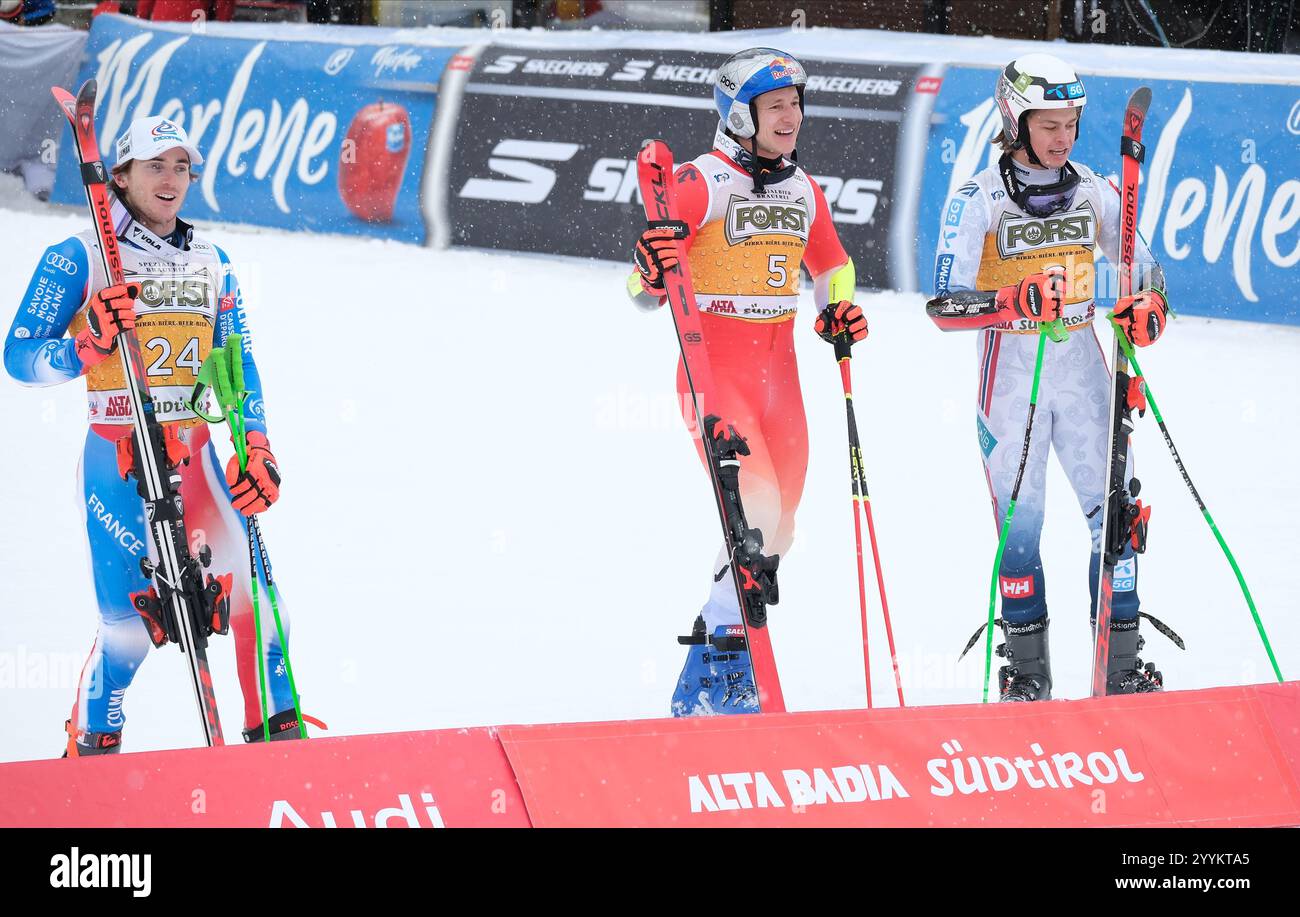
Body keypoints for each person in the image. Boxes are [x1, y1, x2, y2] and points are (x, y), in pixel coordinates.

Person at [3, 115, 298, 754]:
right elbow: (19, 357)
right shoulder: (78, 256)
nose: (170, 180)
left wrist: (258, 446)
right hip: (119, 461)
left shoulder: (213, 262)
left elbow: (237, 363)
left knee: (259, 610)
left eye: (181, 167)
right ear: (122, 177)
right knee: (131, 631)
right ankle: (92, 755)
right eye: (155, 166)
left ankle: (279, 755)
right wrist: (88, 344)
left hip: (195, 458)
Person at [628, 48, 868, 716]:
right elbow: (640, 282)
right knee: (752, 515)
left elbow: (833, 265)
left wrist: (838, 308)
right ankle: (732, 669)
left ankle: (708, 665)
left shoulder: (802, 189)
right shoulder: (703, 179)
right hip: (715, 372)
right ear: (741, 115)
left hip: (780, 375)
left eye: (796, 103)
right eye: (775, 107)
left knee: (779, 527)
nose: (791, 117)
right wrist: (648, 267)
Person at [926, 53, 1173, 701]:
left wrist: (1148, 310)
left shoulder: (1096, 187)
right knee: (1019, 528)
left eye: (1071, 122)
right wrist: (1011, 302)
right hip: (1009, 378)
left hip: (1082, 371)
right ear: (1015, 119)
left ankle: (1119, 663)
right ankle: (1027, 672)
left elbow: (1145, 273)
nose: (1063, 136)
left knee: (1115, 517)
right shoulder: (976, 199)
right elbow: (944, 303)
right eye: (1049, 123)